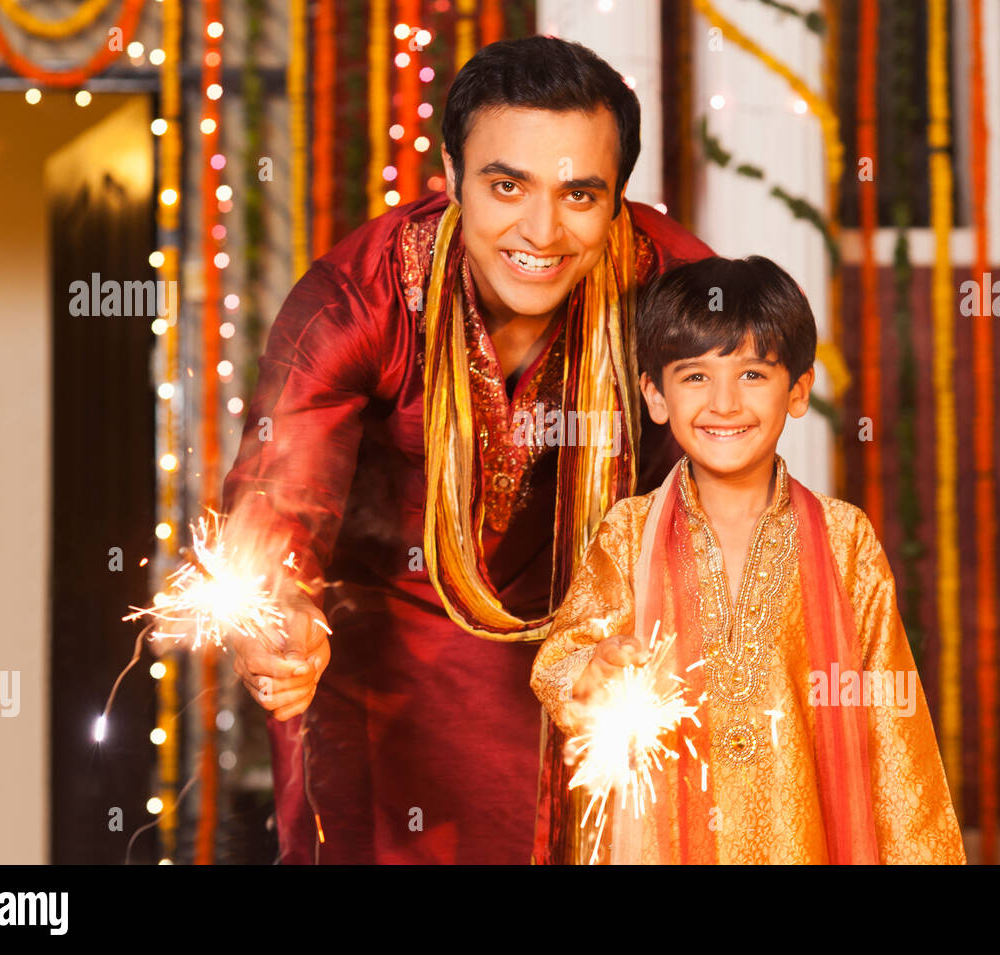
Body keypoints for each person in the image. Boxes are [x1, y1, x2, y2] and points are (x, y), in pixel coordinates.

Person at [220, 36, 713, 863]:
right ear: (450, 174)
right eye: (506, 185)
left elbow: (724, 493)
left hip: (609, 661)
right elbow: (278, 496)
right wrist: (273, 617)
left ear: (620, 197)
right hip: (387, 667)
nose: (542, 230)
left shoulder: (677, 290)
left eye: (580, 194)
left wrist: (665, 637)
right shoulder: (361, 297)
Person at [529, 256, 966, 864]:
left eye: (753, 375)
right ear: (656, 395)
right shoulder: (628, 532)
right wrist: (594, 668)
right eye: (695, 377)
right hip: (662, 843)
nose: (725, 403)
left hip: (805, 843)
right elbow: (558, 666)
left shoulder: (846, 540)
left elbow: (893, 732)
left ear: (799, 390)